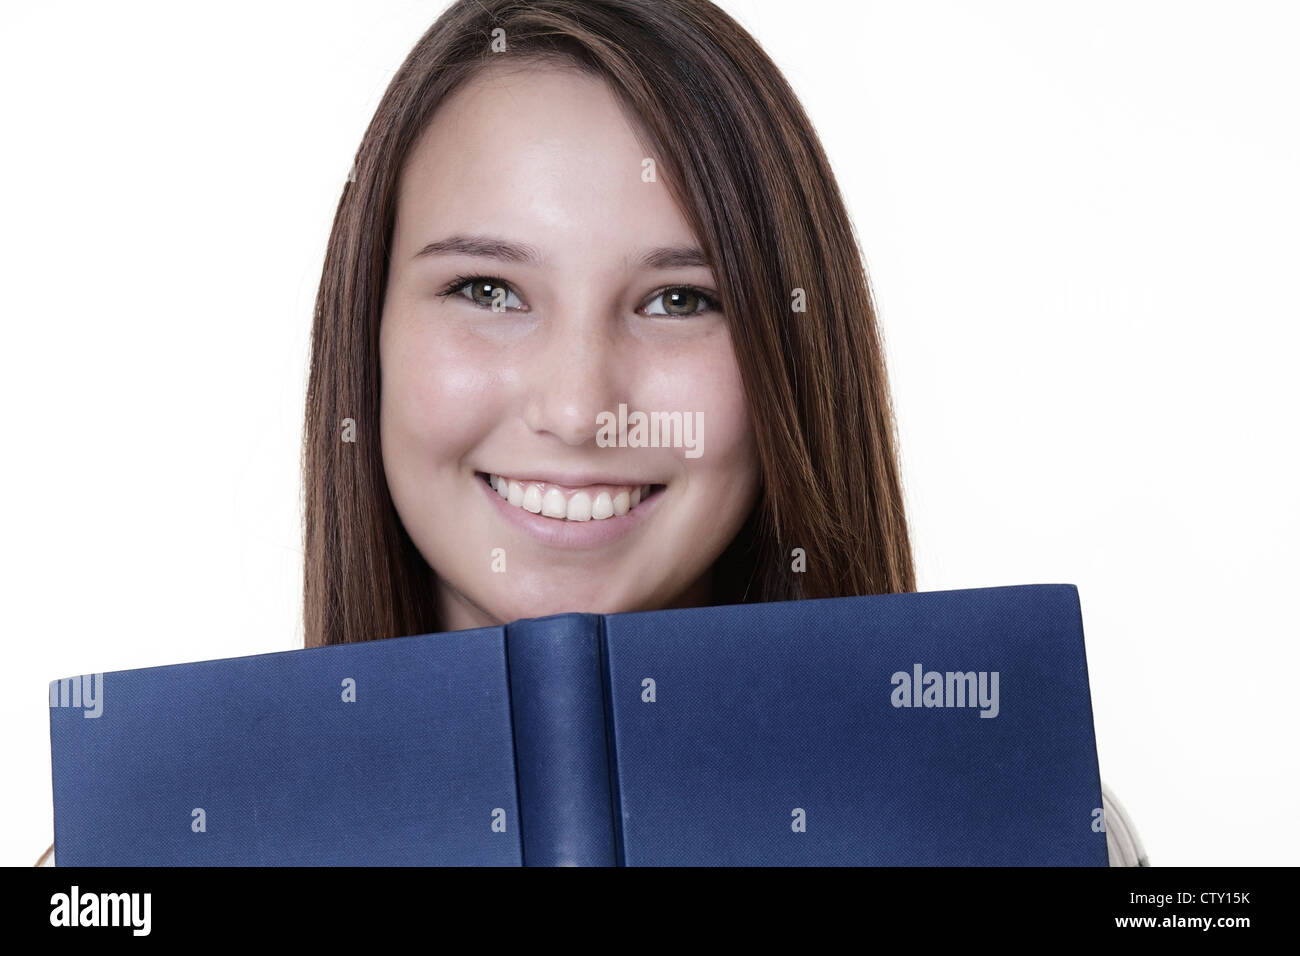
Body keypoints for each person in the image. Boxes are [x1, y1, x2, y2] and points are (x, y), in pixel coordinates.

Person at [37, 0, 1145, 866]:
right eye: (485, 287)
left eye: (678, 299)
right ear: (365, 339)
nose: (578, 406)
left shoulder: (1040, 825)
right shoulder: (118, 867)